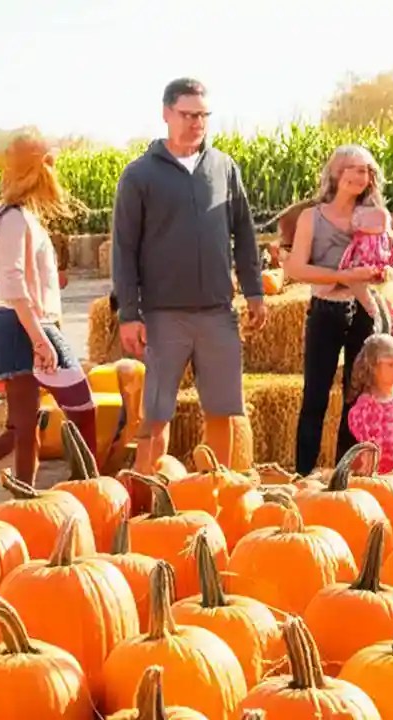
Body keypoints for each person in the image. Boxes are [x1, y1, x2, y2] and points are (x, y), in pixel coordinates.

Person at [111, 77, 265, 482]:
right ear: (166, 114)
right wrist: (130, 313)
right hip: (164, 316)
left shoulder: (224, 168)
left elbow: (244, 233)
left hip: (218, 313)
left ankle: (221, 496)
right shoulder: (139, 175)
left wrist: (254, 291)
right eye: (188, 114)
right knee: (156, 414)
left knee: (222, 411)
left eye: (203, 115)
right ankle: (142, 496)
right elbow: (123, 250)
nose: (197, 122)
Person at [0, 128, 98, 486]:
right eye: (49, 165)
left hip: (32, 324)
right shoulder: (12, 218)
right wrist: (40, 339)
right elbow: (12, 285)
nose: (54, 173)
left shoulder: (23, 216)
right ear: (37, 171)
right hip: (23, 326)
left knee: (24, 427)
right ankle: (92, 489)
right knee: (79, 408)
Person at [284, 144, 393, 475]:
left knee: (356, 397)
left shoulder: (373, 219)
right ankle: (303, 475)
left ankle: (345, 475)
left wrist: (380, 275)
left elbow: (392, 263)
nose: (358, 174)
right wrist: (342, 276)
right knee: (316, 397)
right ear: (335, 174)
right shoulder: (313, 217)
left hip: (364, 311)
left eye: (364, 169)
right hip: (326, 310)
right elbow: (296, 268)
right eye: (351, 167)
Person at [346, 292, 393, 474]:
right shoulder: (366, 405)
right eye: (390, 364)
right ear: (372, 367)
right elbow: (364, 445)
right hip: (377, 473)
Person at [339, 205, 393, 319]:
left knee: (385, 301)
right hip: (359, 281)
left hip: (377, 279)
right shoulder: (356, 240)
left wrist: (387, 272)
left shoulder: (388, 240)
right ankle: (376, 312)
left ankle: (388, 317)